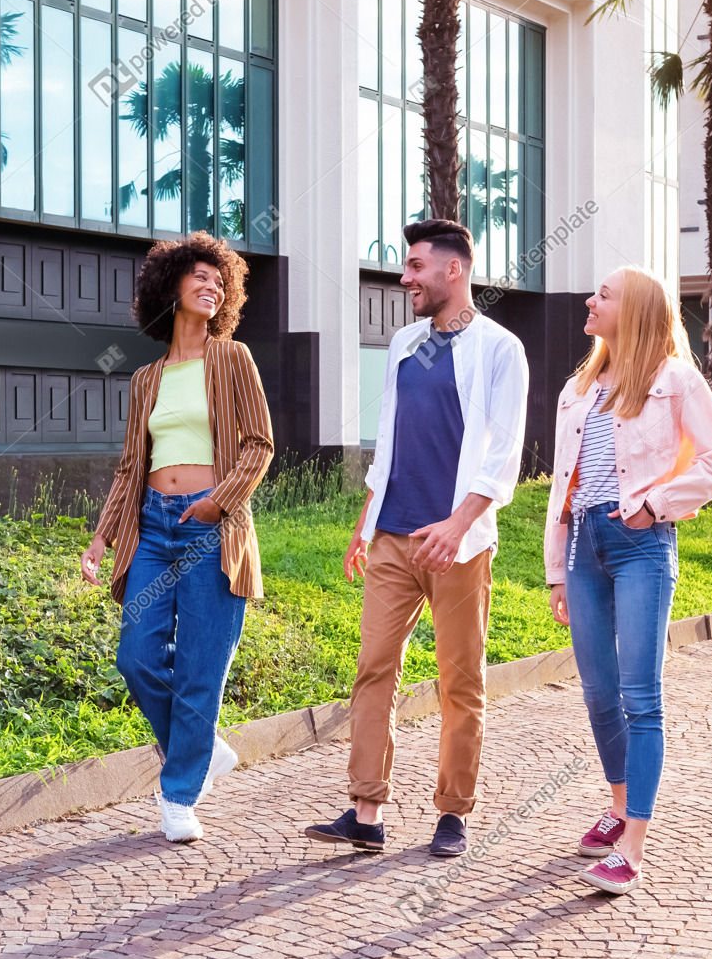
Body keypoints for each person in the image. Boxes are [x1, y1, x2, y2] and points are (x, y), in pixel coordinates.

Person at [305, 219, 529, 857]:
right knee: (374, 668)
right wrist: (364, 524)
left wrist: (458, 527)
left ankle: (453, 812)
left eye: (415, 267)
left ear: (453, 270)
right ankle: (366, 811)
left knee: (460, 680)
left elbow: (503, 456)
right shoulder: (406, 343)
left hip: (457, 544)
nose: (405, 279)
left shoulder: (499, 348)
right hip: (393, 538)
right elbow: (389, 440)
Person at [543, 266, 712, 894]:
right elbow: (561, 485)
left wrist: (657, 504)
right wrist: (556, 572)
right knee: (599, 692)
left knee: (640, 695)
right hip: (583, 546)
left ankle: (632, 845)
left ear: (636, 311)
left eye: (603, 294)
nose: (589, 299)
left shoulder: (675, 379)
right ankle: (619, 803)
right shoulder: (579, 386)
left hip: (640, 545)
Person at [81, 232, 273, 844]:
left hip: (212, 523)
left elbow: (259, 445)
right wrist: (102, 537)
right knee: (136, 657)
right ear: (171, 288)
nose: (211, 286)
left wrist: (219, 503)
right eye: (199, 277)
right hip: (154, 526)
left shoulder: (234, 359)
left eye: (220, 281)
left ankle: (179, 792)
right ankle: (202, 747)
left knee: (199, 667)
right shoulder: (146, 379)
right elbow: (129, 468)